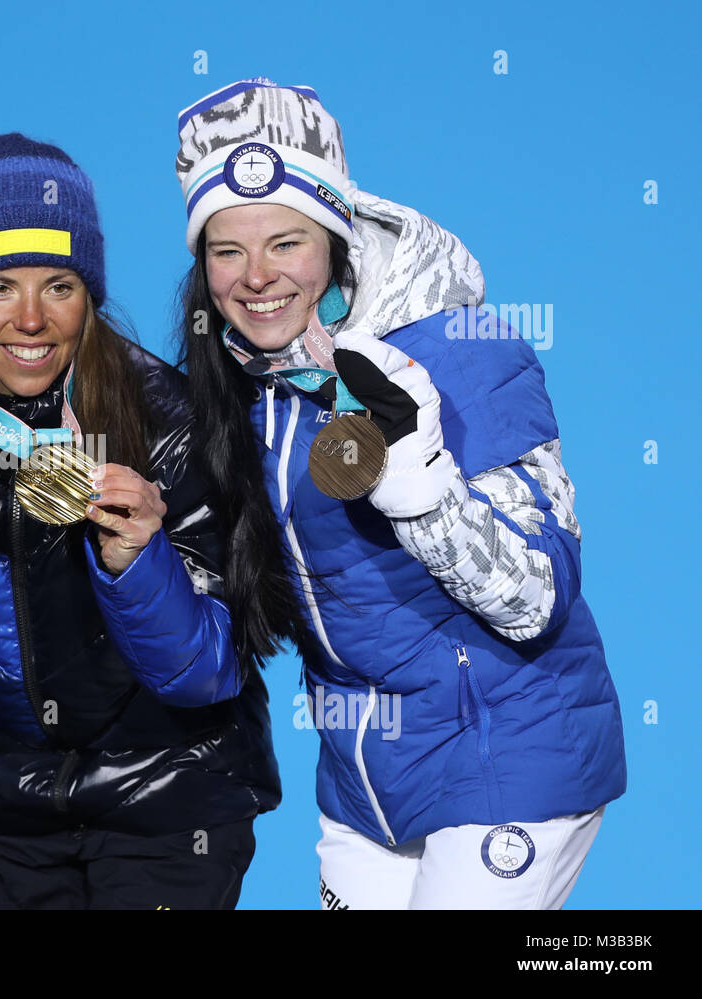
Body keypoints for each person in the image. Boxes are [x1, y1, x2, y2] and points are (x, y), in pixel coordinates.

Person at [171, 77, 627, 909]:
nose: (256, 277)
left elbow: (539, 597)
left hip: (509, 749)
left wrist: (419, 488)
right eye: (225, 250)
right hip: (365, 780)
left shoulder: (461, 349)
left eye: (287, 243)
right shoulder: (241, 386)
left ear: (337, 240)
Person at [0, 134, 276, 909]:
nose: (29, 319)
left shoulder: (169, 418)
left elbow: (208, 673)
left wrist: (139, 561)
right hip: (3, 820)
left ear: (89, 294)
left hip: (169, 795)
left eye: (58, 285)